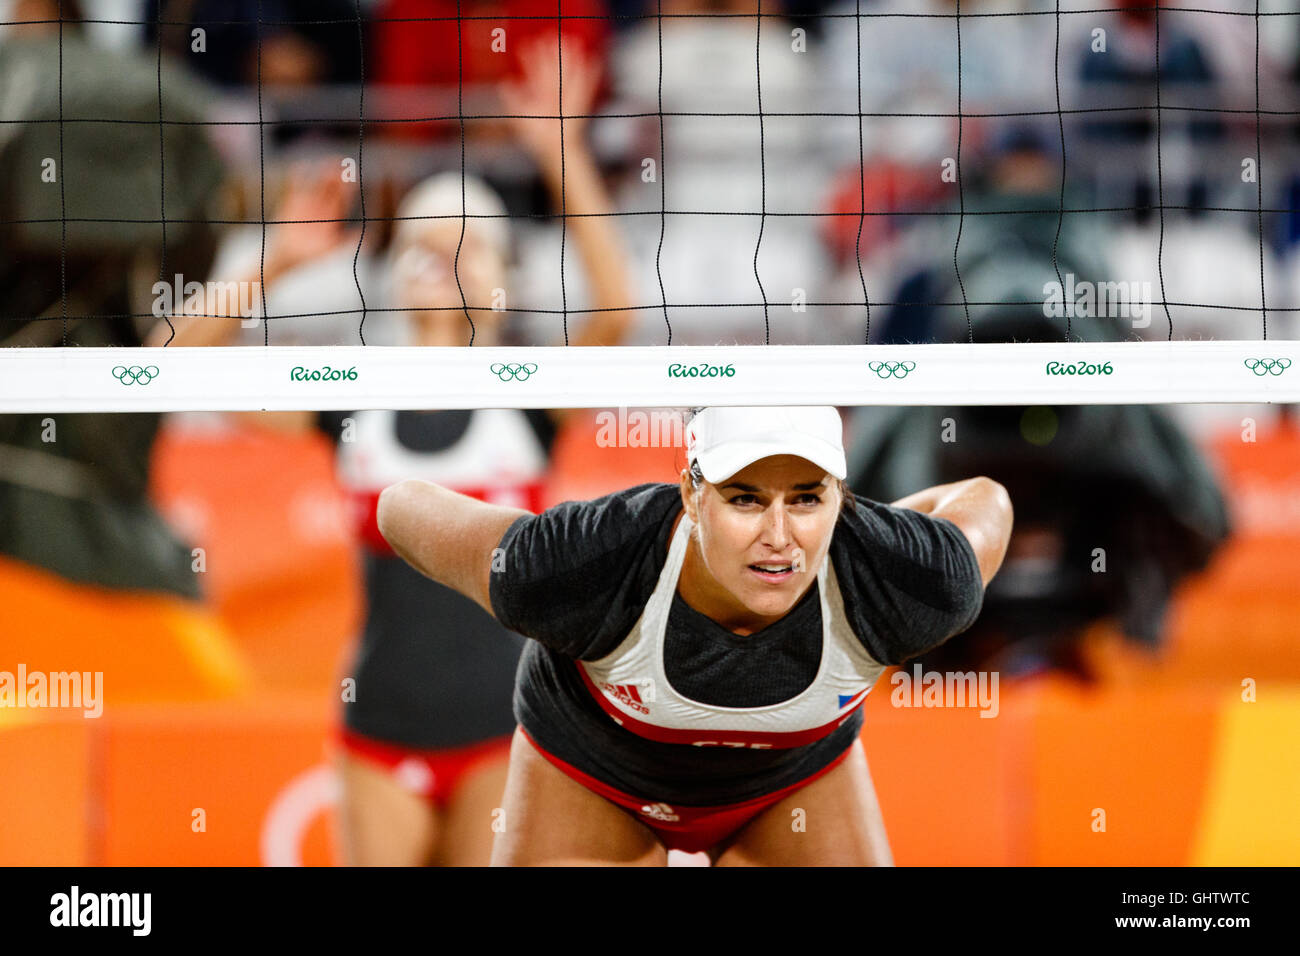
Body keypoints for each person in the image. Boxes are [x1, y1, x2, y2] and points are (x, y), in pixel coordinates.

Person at [148, 39, 636, 865]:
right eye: (423, 240)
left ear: (504, 279)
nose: (442, 256)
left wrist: (563, 156)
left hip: (505, 727)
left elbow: (617, 312)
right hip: (378, 727)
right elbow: (169, 363)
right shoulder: (350, 402)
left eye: (467, 242)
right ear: (392, 271)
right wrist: (274, 259)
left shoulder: (530, 397)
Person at [376, 406, 1013, 865]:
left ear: (841, 500)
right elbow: (400, 504)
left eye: (806, 500)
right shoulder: (582, 566)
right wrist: (513, 562)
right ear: (690, 492)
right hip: (592, 776)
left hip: (791, 785)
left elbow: (989, 498)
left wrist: (895, 536)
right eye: (744, 499)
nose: (779, 537)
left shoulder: (911, 580)